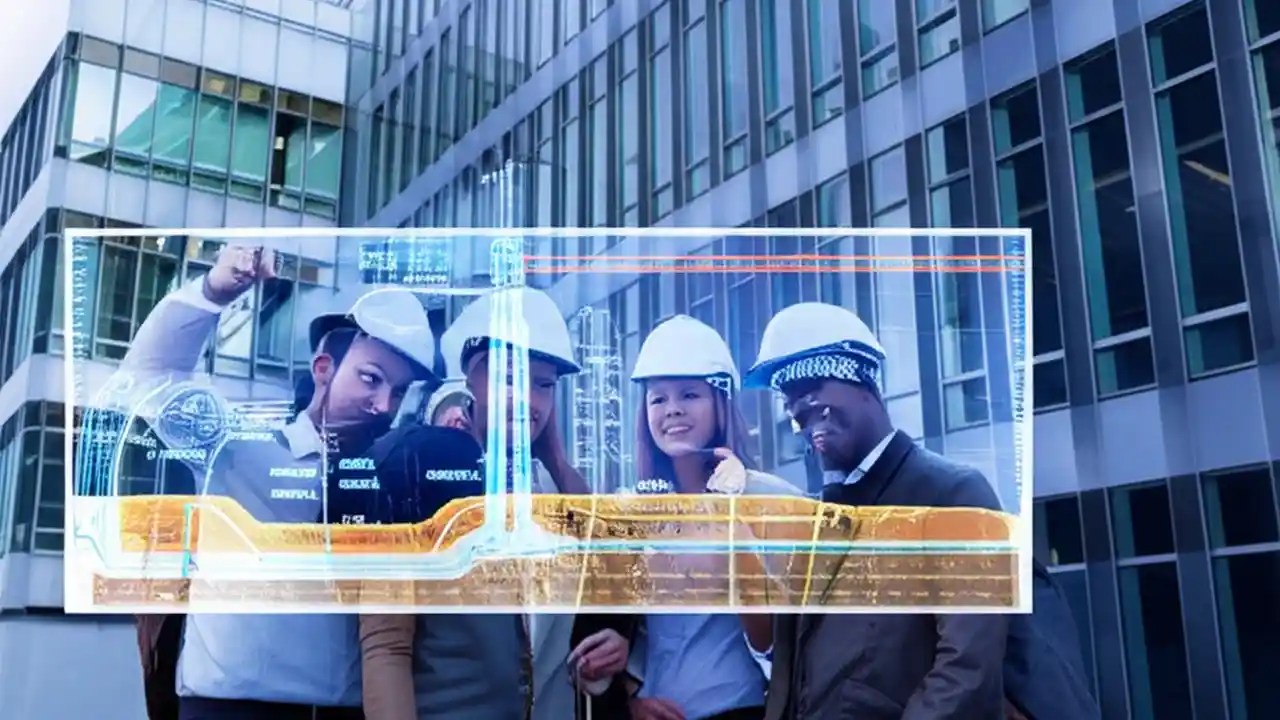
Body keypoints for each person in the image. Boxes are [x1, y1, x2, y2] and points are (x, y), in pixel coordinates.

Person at [127, 245, 438, 720]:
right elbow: (150, 379)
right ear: (323, 369)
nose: (383, 405)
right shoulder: (242, 448)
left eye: (398, 392)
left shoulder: (394, 483)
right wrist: (212, 292)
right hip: (230, 710)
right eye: (370, 378)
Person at [359, 286, 634, 720]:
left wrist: (609, 651)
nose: (528, 400)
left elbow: (592, 609)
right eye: (510, 378)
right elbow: (387, 645)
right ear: (469, 382)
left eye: (544, 385)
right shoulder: (417, 469)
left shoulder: (560, 491)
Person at [743, 302, 1008, 720]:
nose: (804, 416)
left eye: (815, 396)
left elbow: (968, 665)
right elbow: (790, 674)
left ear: (865, 384)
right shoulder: (821, 520)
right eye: (794, 407)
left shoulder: (952, 494)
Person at [625, 315, 803, 720]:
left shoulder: (771, 500)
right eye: (658, 399)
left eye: (689, 395)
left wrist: (730, 518)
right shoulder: (635, 511)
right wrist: (629, 701)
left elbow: (775, 643)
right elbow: (629, 637)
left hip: (742, 710)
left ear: (720, 403)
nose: (673, 410)